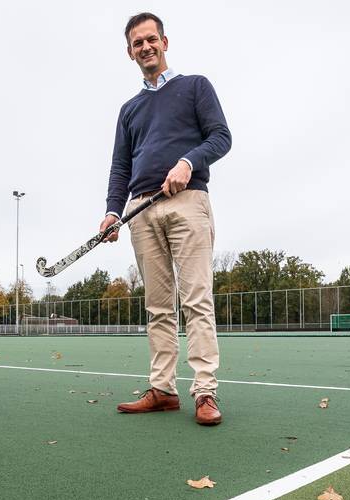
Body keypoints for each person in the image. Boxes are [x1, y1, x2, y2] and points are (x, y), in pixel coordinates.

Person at [102, 13, 231, 425]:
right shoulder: (129, 109)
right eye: (137, 43)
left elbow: (221, 137)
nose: (145, 47)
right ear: (130, 52)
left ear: (165, 42)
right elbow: (120, 166)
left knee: (196, 299)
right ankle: (162, 389)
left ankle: (205, 392)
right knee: (158, 307)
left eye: (151, 39)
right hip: (140, 211)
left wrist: (187, 161)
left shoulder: (195, 86)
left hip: (187, 202)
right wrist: (111, 211)